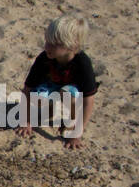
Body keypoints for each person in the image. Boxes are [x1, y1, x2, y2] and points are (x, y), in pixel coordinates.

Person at [16, 15, 100, 149]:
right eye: (47, 41)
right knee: (37, 98)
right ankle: (49, 109)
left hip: (72, 92)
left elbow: (88, 101)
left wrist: (76, 135)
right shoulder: (44, 58)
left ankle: (71, 121)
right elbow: (27, 89)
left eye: (54, 44)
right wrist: (25, 121)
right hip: (49, 87)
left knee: (69, 94)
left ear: (72, 45)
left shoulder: (82, 63)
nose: (47, 46)